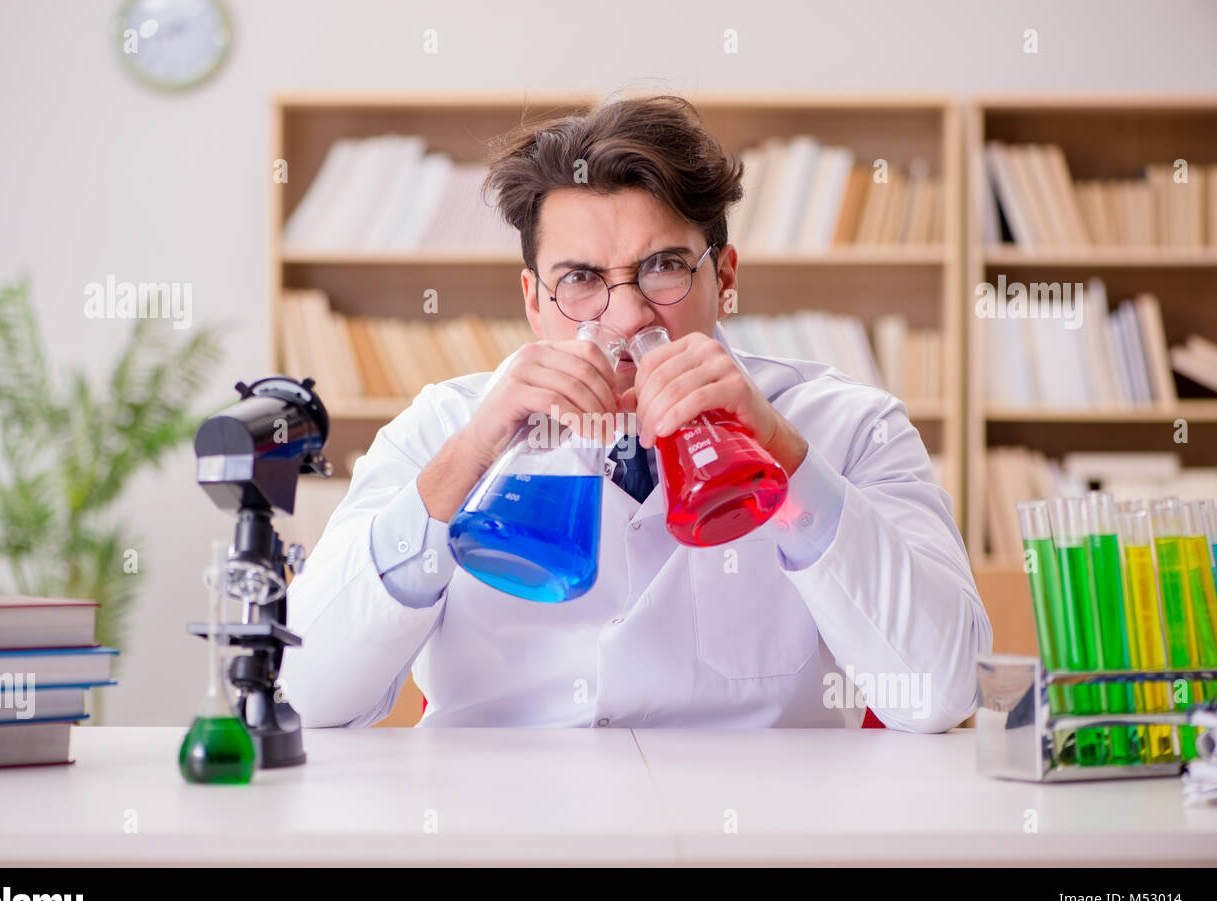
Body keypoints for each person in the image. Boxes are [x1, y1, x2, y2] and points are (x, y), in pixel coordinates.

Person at [281, 94, 992, 732]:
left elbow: (944, 692)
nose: (625, 314)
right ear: (534, 300)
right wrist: (465, 463)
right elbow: (309, 695)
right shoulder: (447, 427)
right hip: (495, 828)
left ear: (726, 276)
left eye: (664, 267)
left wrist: (783, 456)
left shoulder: (848, 425)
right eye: (582, 280)